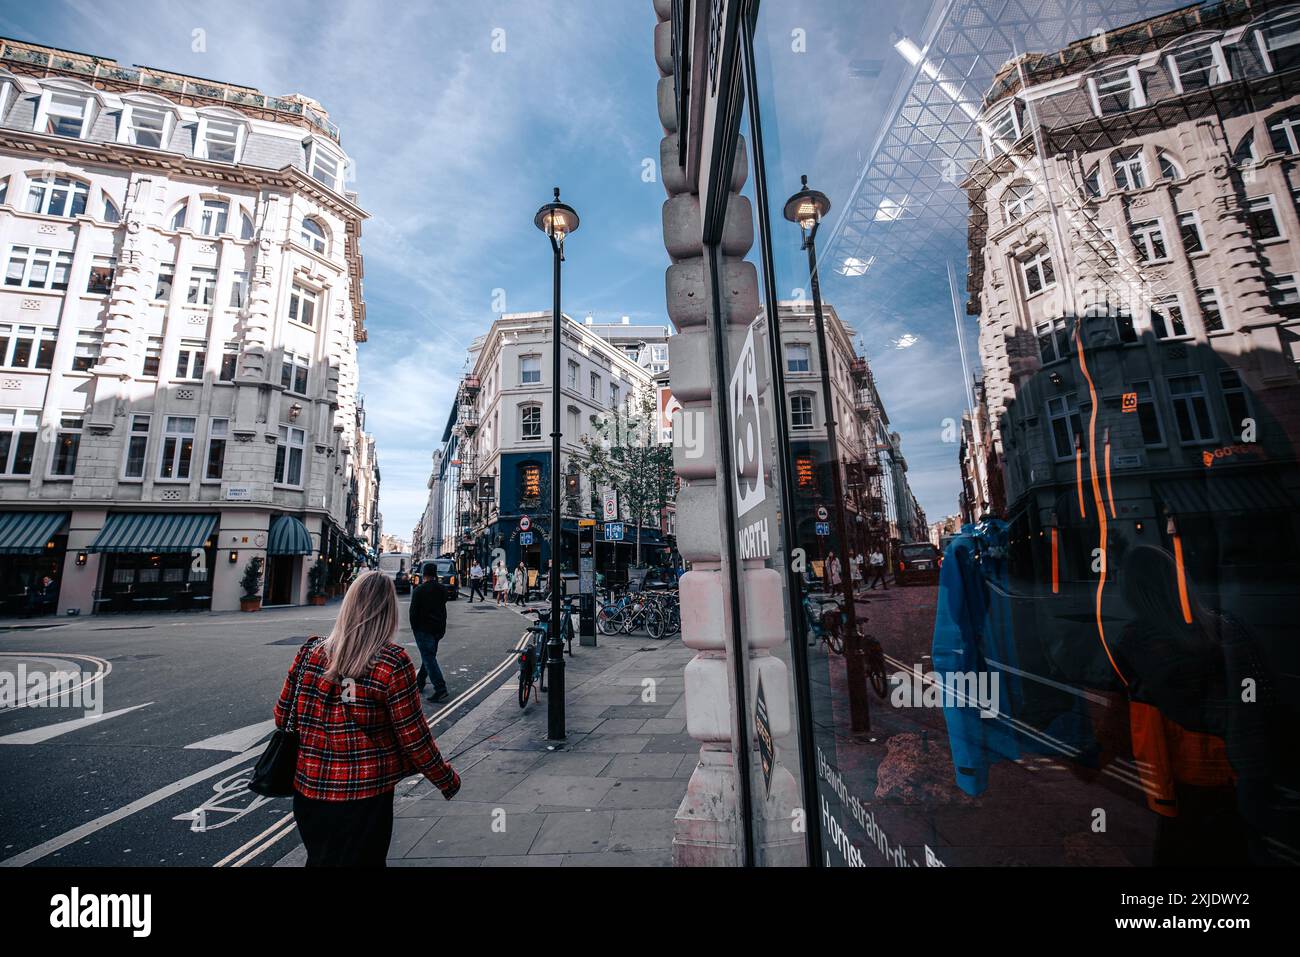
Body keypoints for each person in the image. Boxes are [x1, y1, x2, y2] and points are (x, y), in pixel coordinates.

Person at [273, 571, 460, 867]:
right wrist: (446, 779)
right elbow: (414, 737)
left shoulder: (309, 652)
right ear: (388, 612)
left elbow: (283, 717)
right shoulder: (392, 662)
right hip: (364, 798)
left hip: (309, 793)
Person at [408, 562, 449, 703]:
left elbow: (413, 613)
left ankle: (440, 688)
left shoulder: (419, 590)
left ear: (424, 574)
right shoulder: (442, 589)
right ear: (435, 574)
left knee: (429, 658)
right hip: (438, 629)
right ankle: (419, 682)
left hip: (423, 630)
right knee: (429, 657)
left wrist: (415, 629)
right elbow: (443, 608)